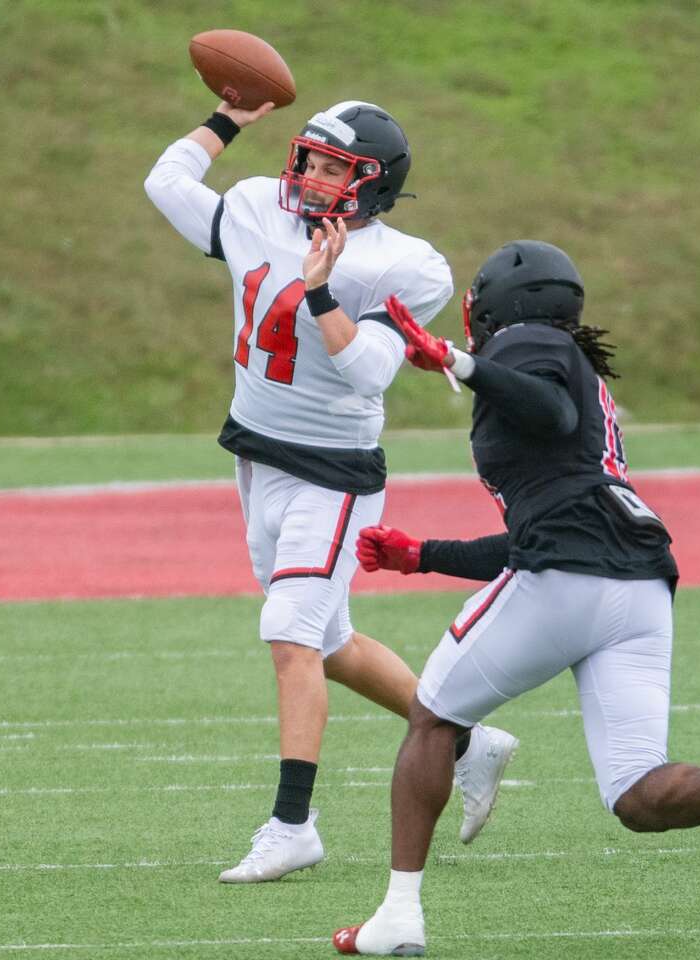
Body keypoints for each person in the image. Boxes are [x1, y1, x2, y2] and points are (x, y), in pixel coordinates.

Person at [332, 240, 700, 955]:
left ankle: (399, 916)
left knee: (433, 720)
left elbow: (551, 419)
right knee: (636, 795)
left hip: (572, 577)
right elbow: (541, 530)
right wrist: (422, 556)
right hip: (639, 584)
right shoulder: (564, 364)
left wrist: (458, 363)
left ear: (496, 307)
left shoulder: (525, 342)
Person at [143, 99, 519, 884]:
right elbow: (166, 180)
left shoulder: (400, 264)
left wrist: (320, 292)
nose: (312, 176)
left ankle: (293, 825)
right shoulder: (251, 207)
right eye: (308, 158)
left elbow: (372, 371)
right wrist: (226, 116)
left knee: (287, 631)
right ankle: (465, 739)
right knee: (325, 641)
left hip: (333, 470)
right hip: (257, 453)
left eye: (333, 166)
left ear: (372, 185)